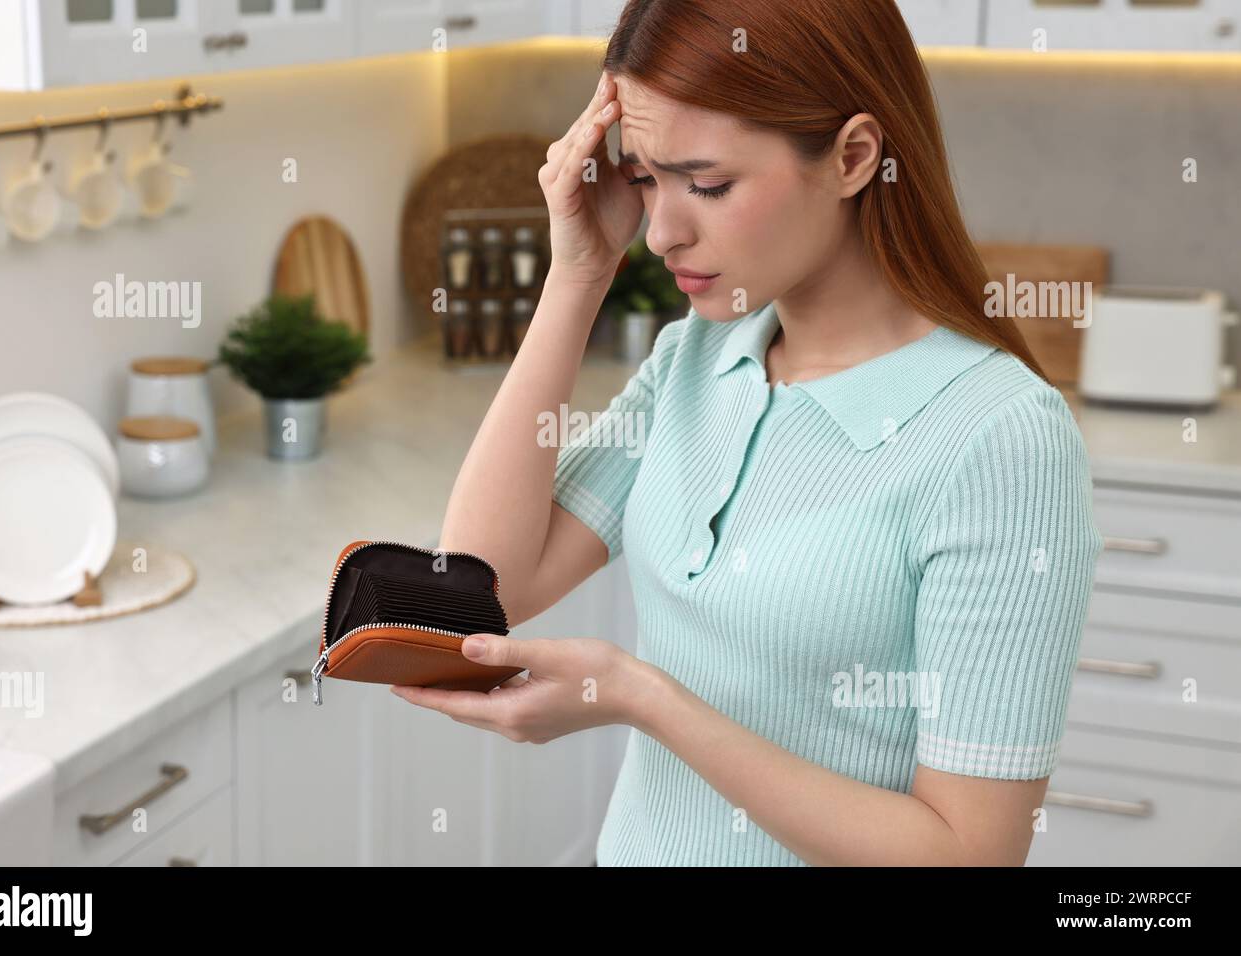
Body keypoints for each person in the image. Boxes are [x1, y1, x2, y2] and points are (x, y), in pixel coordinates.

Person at [390, 0, 1104, 866]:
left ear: (853, 157)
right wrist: (580, 272)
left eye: (709, 183)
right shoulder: (701, 354)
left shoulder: (998, 439)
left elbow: (970, 854)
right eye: (646, 176)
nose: (662, 230)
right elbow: (478, 586)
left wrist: (640, 697)